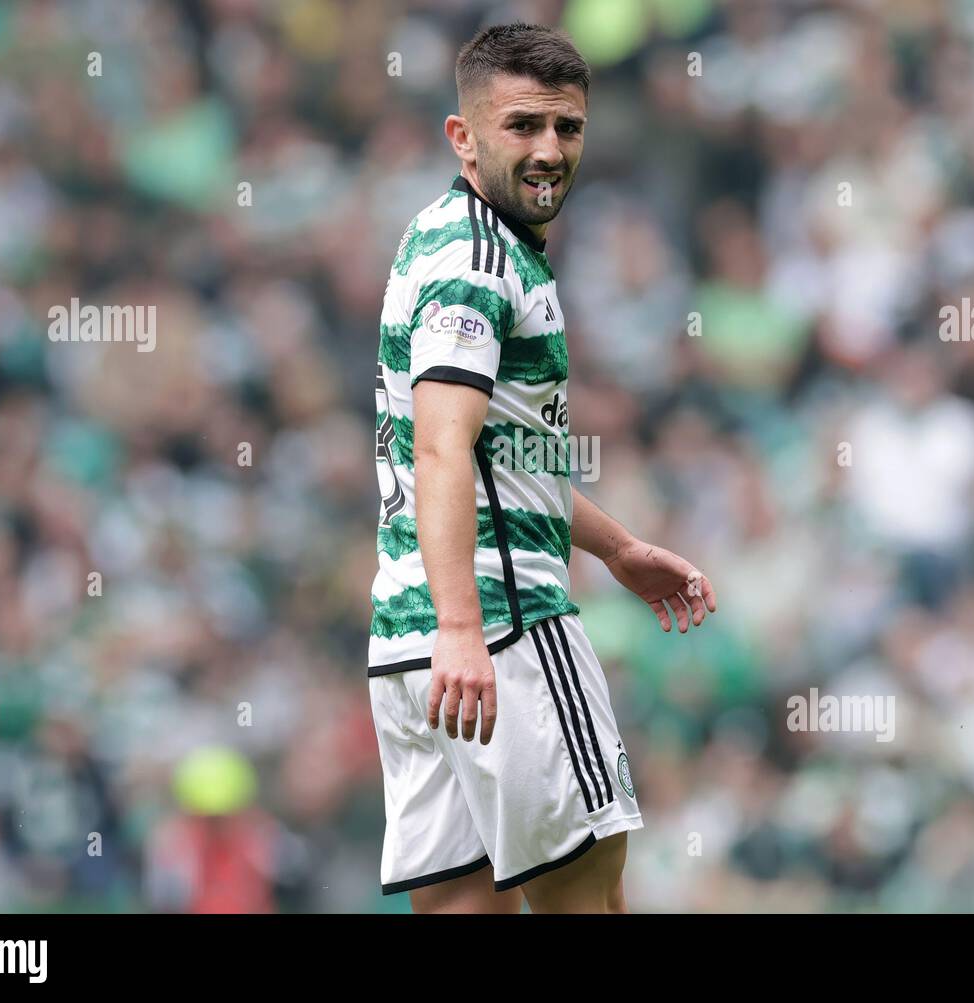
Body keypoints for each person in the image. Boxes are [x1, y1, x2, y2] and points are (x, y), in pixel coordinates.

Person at [368, 22, 717, 914]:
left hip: (413, 651)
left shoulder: (439, 238)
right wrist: (464, 626)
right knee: (588, 901)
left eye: (567, 128)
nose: (549, 150)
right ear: (463, 135)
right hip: (501, 634)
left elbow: (495, 459)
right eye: (523, 125)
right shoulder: (479, 263)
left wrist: (614, 545)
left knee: (460, 906)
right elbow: (445, 447)